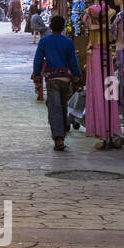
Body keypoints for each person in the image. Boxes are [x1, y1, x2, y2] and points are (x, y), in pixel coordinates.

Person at [32, 14, 84, 152]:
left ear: (50, 26)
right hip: (65, 80)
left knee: (54, 108)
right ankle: (61, 135)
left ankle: (58, 138)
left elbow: (38, 60)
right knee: (62, 106)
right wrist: (78, 77)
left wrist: (37, 76)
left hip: (52, 79)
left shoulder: (45, 41)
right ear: (63, 28)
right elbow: (73, 62)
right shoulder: (68, 42)